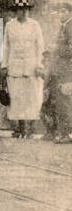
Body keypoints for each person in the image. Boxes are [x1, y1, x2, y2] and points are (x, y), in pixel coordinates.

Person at [2, 0, 45, 138]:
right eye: (20, 10)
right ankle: (20, 128)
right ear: (15, 12)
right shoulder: (10, 25)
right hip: (15, 67)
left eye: (25, 9)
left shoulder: (35, 25)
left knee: (32, 97)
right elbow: (6, 47)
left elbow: (40, 46)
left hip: (32, 66)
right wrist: (4, 64)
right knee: (16, 98)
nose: (23, 12)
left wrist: (39, 64)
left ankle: (30, 129)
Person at [42, 9, 72, 142]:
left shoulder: (70, 27)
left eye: (63, 11)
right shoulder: (63, 27)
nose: (60, 14)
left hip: (66, 70)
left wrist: (56, 48)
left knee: (64, 102)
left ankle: (67, 134)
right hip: (58, 69)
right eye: (59, 12)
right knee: (56, 102)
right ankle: (59, 132)